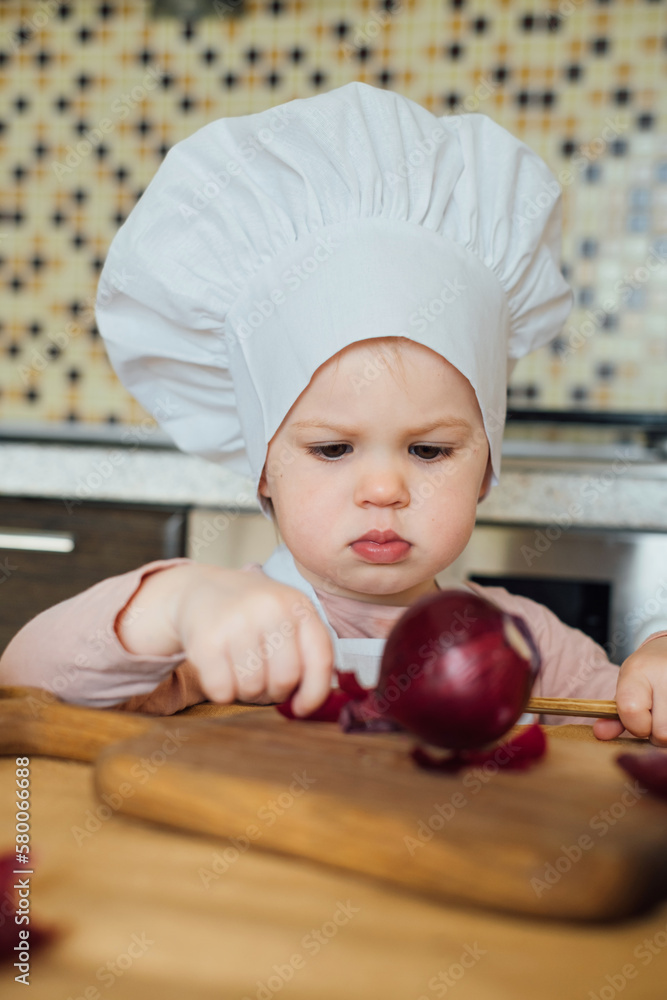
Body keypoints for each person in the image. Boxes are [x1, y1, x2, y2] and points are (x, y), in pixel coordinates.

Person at [1, 83, 666, 744]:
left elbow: (629, 721)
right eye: (332, 450)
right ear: (263, 465)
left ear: (488, 461)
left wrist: (653, 669)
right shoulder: (217, 636)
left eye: (429, 451)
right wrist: (172, 605)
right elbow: (25, 687)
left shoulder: (527, 647)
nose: (383, 490)